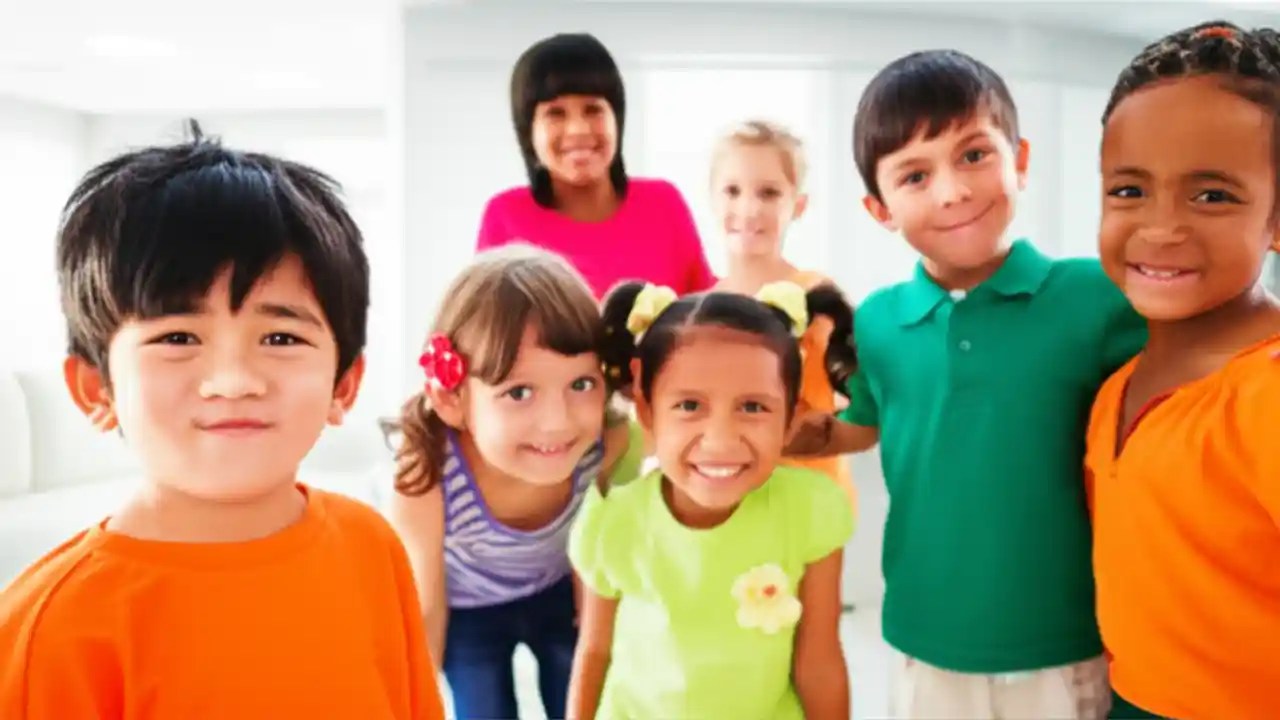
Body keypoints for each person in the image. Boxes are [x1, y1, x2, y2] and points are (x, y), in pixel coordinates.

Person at [0, 122, 444, 719]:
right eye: (178, 336)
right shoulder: (52, 630)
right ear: (95, 389)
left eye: (281, 336)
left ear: (345, 383)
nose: (233, 380)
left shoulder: (373, 548)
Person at [786, 50, 1146, 719]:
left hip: (1064, 636)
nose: (951, 190)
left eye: (975, 155)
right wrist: (778, 434)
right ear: (879, 208)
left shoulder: (1096, 296)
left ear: (1022, 159)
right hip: (928, 635)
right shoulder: (878, 321)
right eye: (916, 175)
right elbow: (866, 425)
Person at [1086, 21, 1280, 720]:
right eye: (1129, 191)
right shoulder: (1114, 389)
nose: (1161, 227)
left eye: (1213, 195)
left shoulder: (1268, 395)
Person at [568, 280, 857, 720]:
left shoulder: (811, 511)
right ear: (645, 408)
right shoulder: (613, 520)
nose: (720, 441)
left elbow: (818, 660)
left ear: (791, 418)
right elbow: (594, 652)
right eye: (688, 405)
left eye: (754, 407)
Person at [385, 244, 643, 720]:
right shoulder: (428, 468)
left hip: (556, 594)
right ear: (452, 400)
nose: (557, 422)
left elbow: (599, 560)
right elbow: (424, 605)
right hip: (469, 614)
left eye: (581, 385)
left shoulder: (607, 442)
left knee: (583, 695)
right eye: (518, 392)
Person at [476, 32, 716, 299]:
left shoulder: (664, 203)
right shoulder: (505, 218)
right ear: (528, 131)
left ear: (618, 119)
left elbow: (705, 316)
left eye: (593, 109)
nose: (578, 129)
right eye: (555, 113)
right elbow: (484, 332)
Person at [709, 119, 856, 512]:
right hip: (733, 505)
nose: (749, 208)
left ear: (798, 205)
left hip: (811, 502)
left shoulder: (818, 296)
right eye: (733, 191)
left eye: (769, 193)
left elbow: (852, 396)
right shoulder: (701, 310)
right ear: (712, 199)